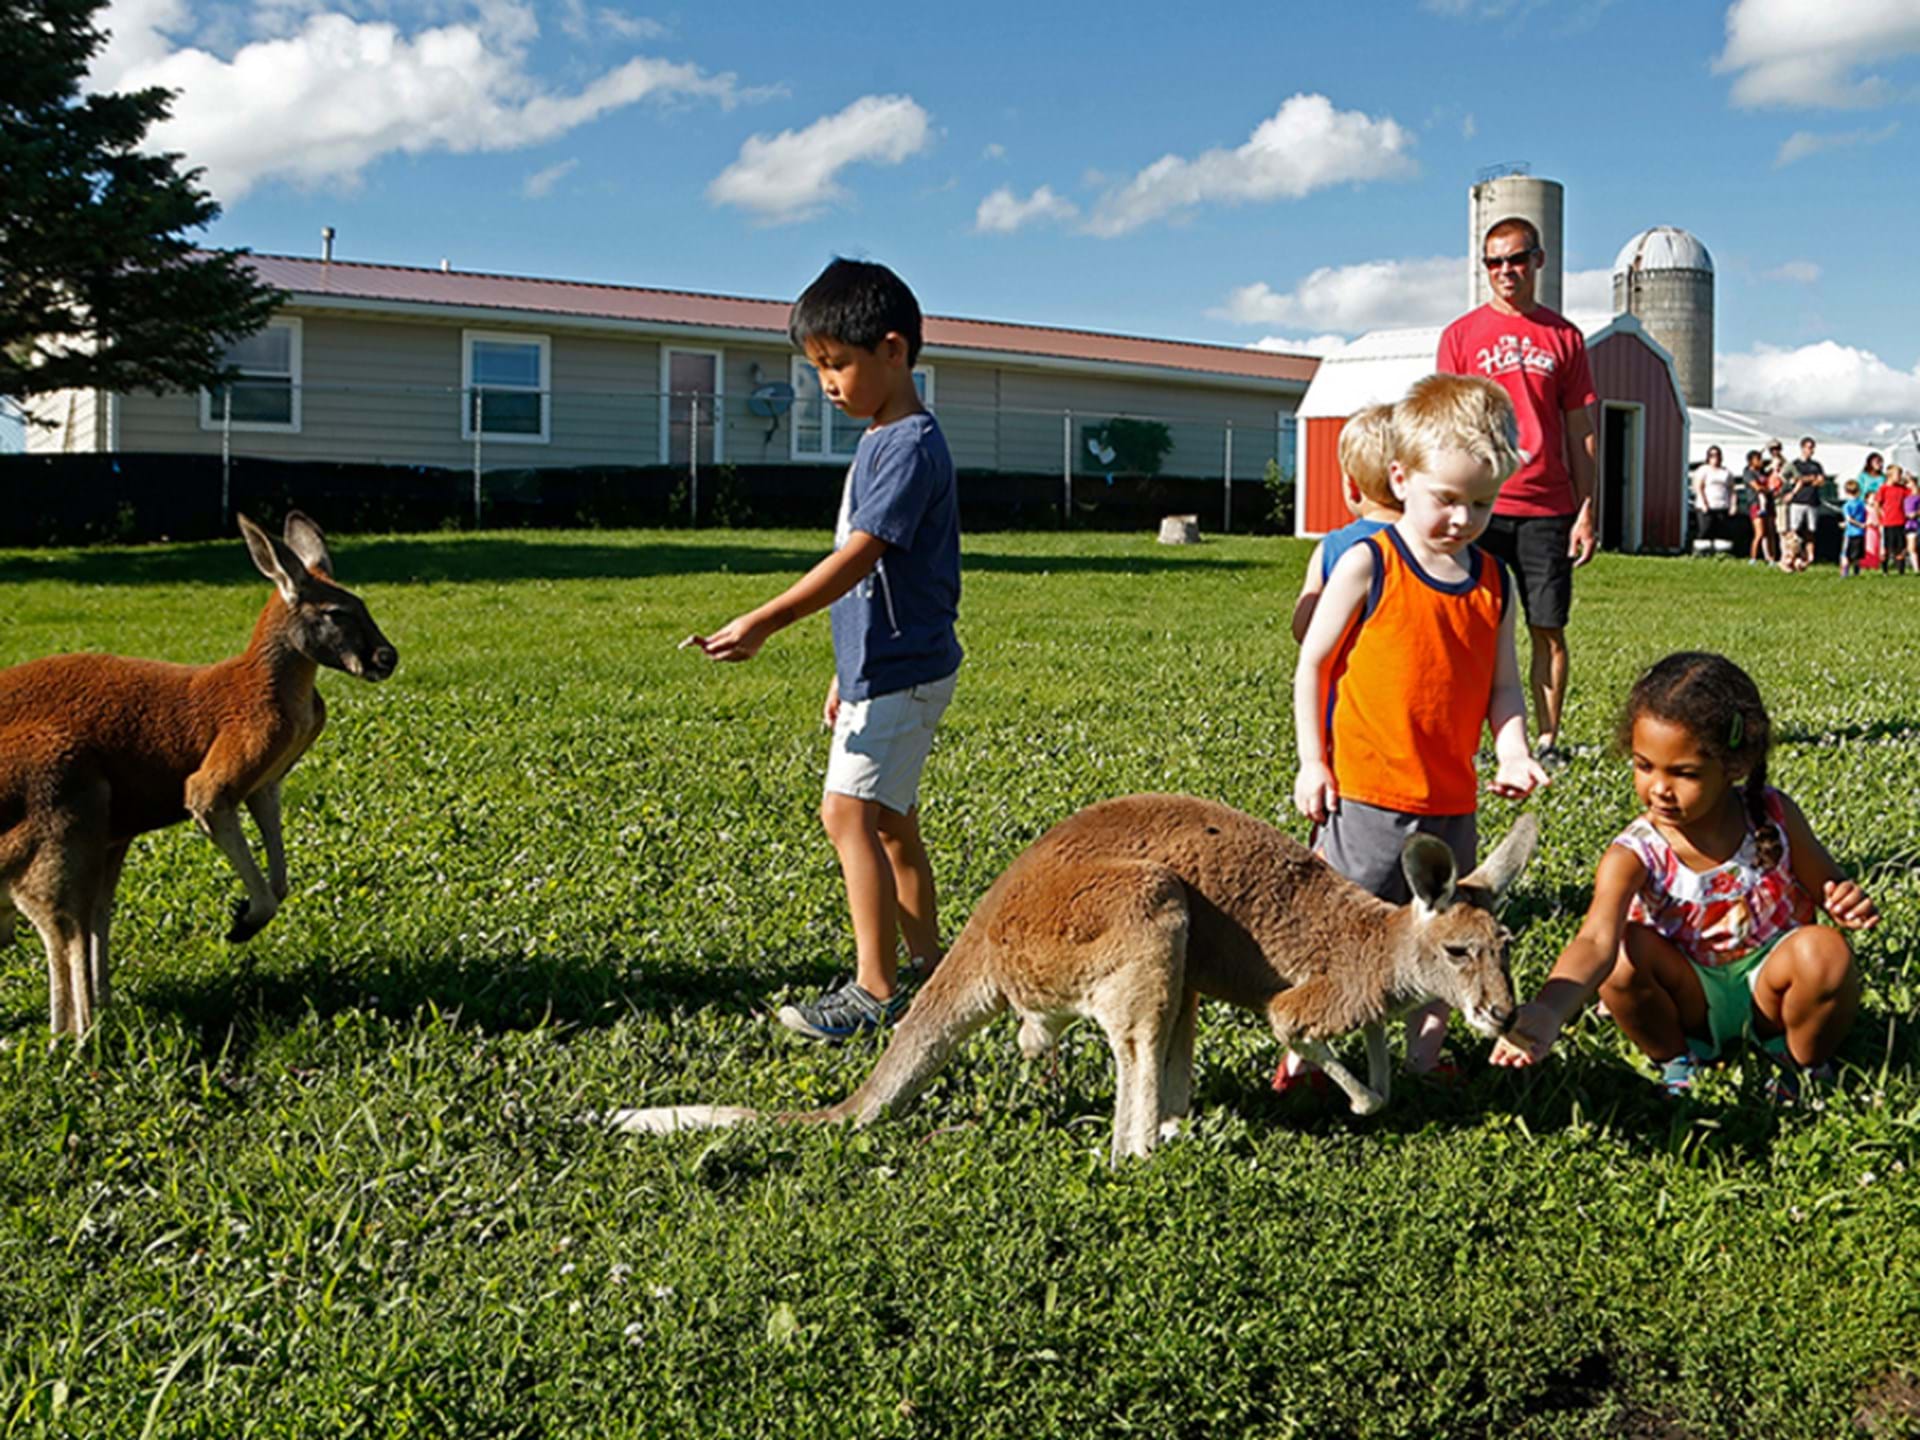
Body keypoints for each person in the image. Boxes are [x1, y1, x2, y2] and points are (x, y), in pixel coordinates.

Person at [689, 258, 962, 1041]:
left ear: (894, 351)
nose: (828, 384)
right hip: (888, 672)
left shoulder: (908, 445)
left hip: (902, 673)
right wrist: (848, 674)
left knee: (846, 814)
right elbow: (869, 584)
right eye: (819, 369)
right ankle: (933, 973)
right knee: (890, 823)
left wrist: (766, 620)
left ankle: (875, 993)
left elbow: (858, 559)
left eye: (839, 364)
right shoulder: (883, 438)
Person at [1288, 372, 1549, 1080]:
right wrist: (1314, 763)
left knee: (1449, 936)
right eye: (1446, 499)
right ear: (1399, 479)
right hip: (1364, 796)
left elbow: (1502, 685)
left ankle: (1421, 1059)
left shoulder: (1492, 580)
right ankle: (1309, 1052)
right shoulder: (1371, 563)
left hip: (1450, 800)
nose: (1462, 518)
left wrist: (1513, 750)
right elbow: (1312, 666)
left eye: (1482, 503)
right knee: (1338, 935)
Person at [1491, 652, 1875, 1100]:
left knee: (1826, 953)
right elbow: (1595, 941)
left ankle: (1798, 1064)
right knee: (1621, 957)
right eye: (1643, 765)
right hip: (1685, 1000)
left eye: (1684, 773)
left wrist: (1846, 899)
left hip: (1773, 988)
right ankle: (1677, 1060)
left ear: (1734, 766)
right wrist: (1548, 1009)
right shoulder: (1634, 852)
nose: (1659, 788)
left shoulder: (1773, 815)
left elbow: (1827, 883)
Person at [1437, 217, 1597, 765]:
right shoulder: (1460, 336)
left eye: (1517, 259)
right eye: (1495, 262)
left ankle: (1549, 740)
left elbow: (1582, 429)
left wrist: (1586, 509)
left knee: (1546, 626)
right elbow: (1447, 426)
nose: (1507, 271)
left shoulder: (1564, 337)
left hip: (1547, 506)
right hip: (1481, 507)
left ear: (1539, 261)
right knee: (1474, 627)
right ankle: (1480, 740)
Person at [1291, 404, 1399, 641]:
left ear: (1352, 486)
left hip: (1346, 675)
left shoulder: (1334, 546)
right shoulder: (1432, 543)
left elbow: (1304, 627)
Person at [1785, 437, 1828, 561]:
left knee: (1811, 531)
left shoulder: (1816, 465)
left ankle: (1810, 556)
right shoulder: (1795, 465)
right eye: (1809, 447)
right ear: (1802, 448)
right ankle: (1793, 555)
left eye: (1812, 448)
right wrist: (1809, 478)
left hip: (1812, 501)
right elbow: (1794, 479)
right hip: (1798, 501)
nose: (1811, 450)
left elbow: (1820, 481)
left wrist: (1806, 479)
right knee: (1794, 530)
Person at [1690, 445, 1735, 557]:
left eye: (1717, 455)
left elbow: (1731, 489)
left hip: (1722, 505)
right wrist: (1704, 503)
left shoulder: (1726, 472)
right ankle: (1700, 552)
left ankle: (1720, 553)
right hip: (1706, 505)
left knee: (1720, 530)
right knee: (1705, 529)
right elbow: (1698, 487)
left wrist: (1733, 505)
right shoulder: (1703, 470)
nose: (1715, 458)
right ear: (1708, 457)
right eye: (1712, 456)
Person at [1739, 448, 1778, 565]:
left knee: (1770, 532)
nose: (1760, 461)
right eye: (1758, 459)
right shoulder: (1748, 473)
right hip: (1756, 504)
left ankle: (1771, 558)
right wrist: (1769, 489)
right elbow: (1757, 487)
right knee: (1759, 533)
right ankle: (1753, 558)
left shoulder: (1763, 472)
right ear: (1751, 461)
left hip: (1768, 503)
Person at [1879, 464, 1914, 576]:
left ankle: (1901, 571)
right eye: (1898, 474)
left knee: (1901, 548)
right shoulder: (1884, 488)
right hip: (1888, 523)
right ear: (1890, 476)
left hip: (1900, 522)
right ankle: (1885, 571)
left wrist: (1910, 480)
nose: (1900, 477)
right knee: (1887, 548)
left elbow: (1914, 493)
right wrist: (1880, 515)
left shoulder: (1902, 489)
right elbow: (1877, 503)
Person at [1857, 453, 1886, 571]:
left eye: (1880, 462)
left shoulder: (1882, 477)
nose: (1879, 465)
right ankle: (1865, 561)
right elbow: (1860, 491)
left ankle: (1877, 561)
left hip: (1879, 507)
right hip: (1867, 506)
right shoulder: (1863, 476)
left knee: (1879, 535)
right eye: (1876, 462)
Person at [1839, 478, 1868, 577]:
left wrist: (1846, 523)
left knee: (1845, 554)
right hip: (1860, 532)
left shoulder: (1846, 505)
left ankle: (1844, 573)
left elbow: (1850, 519)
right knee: (1857, 556)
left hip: (1850, 533)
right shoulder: (1861, 503)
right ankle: (1856, 573)